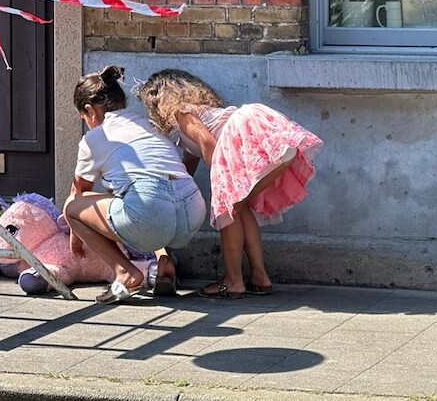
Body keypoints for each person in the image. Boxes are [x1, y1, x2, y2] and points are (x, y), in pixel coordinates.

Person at [136, 69, 323, 299]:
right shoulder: (199, 114)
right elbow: (190, 165)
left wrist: (221, 186)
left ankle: (233, 281)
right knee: (240, 208)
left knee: (229, 211)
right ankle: (259, 277)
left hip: (240, 136)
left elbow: (207, 144)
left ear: (159, 100)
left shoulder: (181, 113)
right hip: (259, 131)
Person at [63, 66, 207, 304]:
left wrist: (75, 237)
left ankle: (125, 272)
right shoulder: (149, 124)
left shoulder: (95, 138)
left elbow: (79, 192)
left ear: (89, 112)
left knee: (72, 207)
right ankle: (165, 261)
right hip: (192, 210)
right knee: (139, 195)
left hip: (151, 212)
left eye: (84, 119)